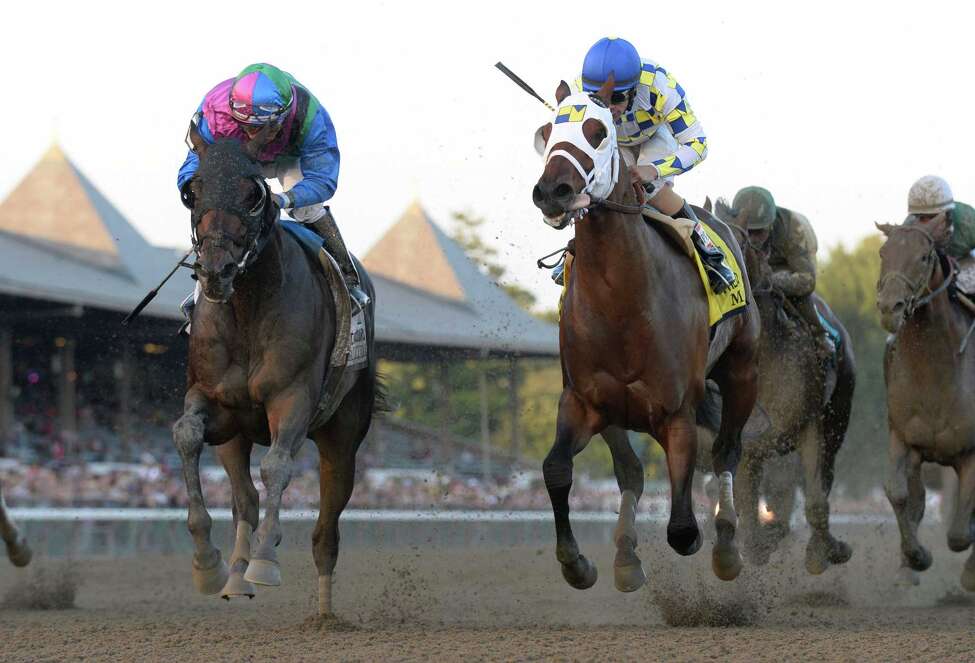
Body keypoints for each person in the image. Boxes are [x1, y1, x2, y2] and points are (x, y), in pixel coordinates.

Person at [176, 62, 368, 324]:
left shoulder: (310, 117)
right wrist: (191, 187)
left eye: (260, 127)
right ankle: (202, 290)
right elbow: (195, 160)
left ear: (283, 115)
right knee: (218, 205)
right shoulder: (214, 107)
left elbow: (323, 178)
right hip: (235, 158)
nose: (252, 134)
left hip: (289, 157)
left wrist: (284, 198)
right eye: (245, 125)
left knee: (306, 208)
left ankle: (347, 277)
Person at [553, 36, 734, 292]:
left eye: (617, 98)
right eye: (600, 98)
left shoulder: (662, 86)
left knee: (650, 191)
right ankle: (574, 250)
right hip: (615, 142)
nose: (609, 105)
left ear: (635, 88)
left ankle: (710, 253)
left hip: (655, 137)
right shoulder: (578, 91)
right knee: (600, 186)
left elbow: (698, 144)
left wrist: (654, 169)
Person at [731, 186, 833, 356]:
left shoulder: (793, 229)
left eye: (759, 232)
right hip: (758, 266)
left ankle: (820, 335)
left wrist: (771, 279)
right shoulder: (731, 227)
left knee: (799, 295)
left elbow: (807, 280)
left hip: (786, 265)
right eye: (749, 232)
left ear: (770, 225)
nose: (753, 239)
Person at [904, 175, 975, 260]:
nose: (930, 223)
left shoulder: (969, 222)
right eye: (922, 218)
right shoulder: (908, 232)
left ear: (948, 214)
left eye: (933, 217)